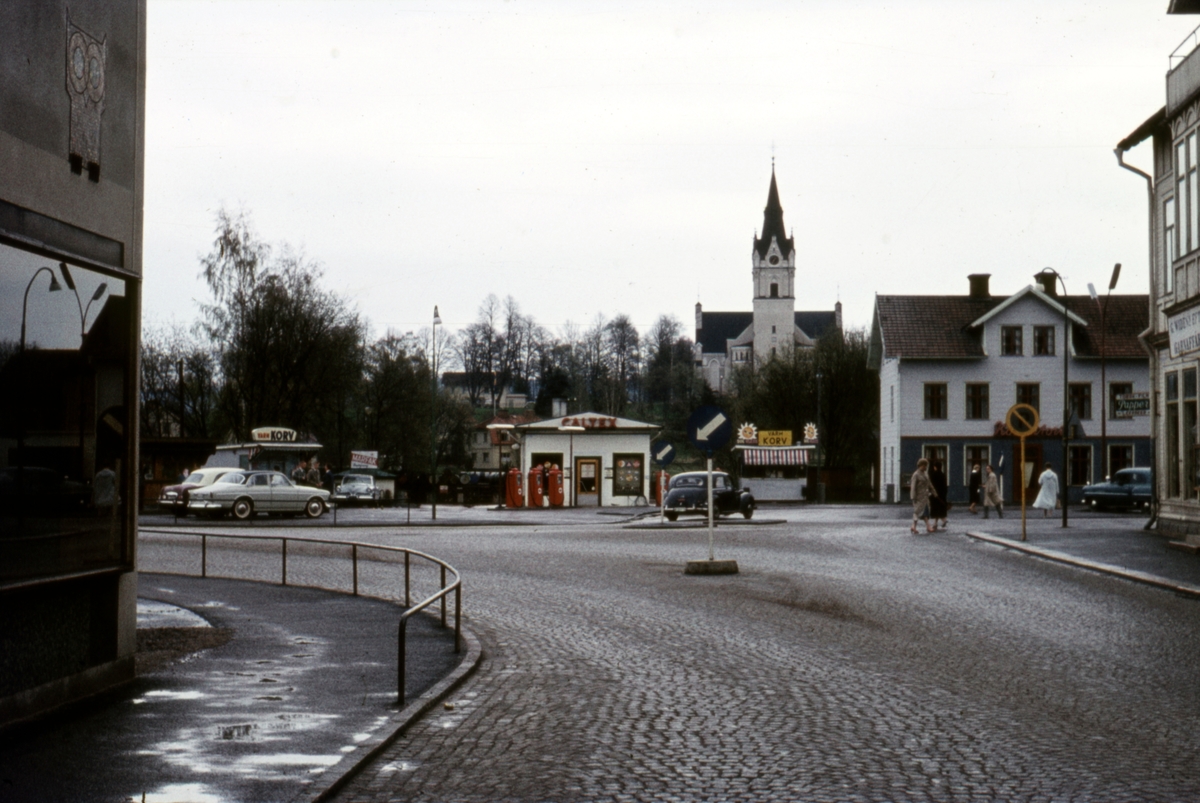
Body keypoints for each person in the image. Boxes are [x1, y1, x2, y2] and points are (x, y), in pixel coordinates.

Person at [909, 457, 936, 534]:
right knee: (919, 512)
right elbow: (913, 487)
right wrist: (913, 497)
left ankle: (914, 526)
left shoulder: (925, 474)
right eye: (924, 465)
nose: (925, 467)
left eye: (926, 465)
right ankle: (928, 526)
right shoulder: (916, 475)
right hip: (918, 497)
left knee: (922, 512)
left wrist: (934, 492)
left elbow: (929, 484)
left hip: (925, 496)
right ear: (920, 465)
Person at [929, 460, 948, 531]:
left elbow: (931, 485)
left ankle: (943, 520)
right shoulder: (943, 475)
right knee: (941, 508)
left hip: (935, 495)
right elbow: (945, 486)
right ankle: (935, 523)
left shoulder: (933, 475)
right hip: (942, 494)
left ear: (935, 467)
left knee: (935, 509)